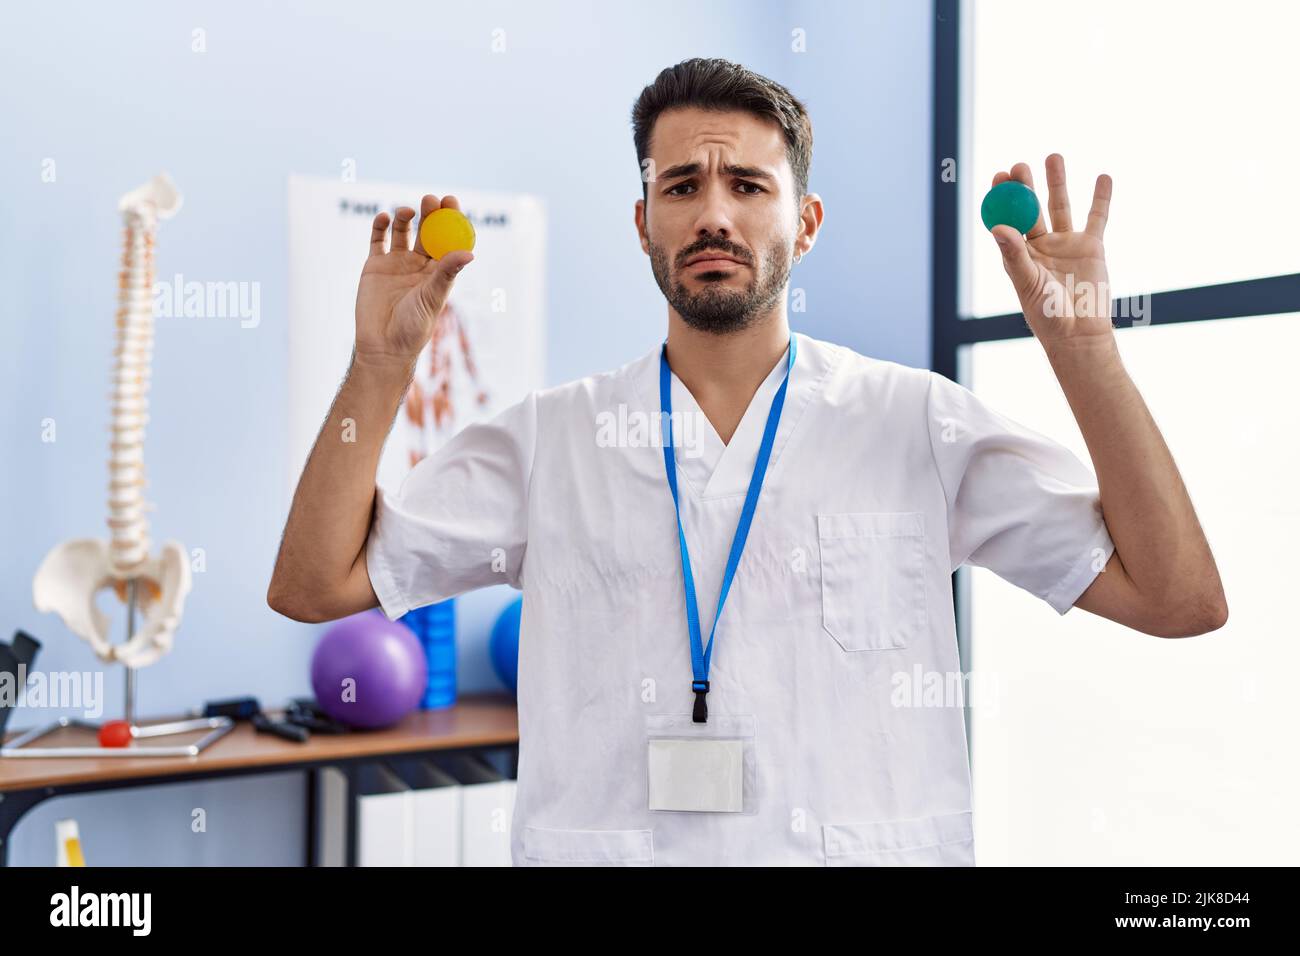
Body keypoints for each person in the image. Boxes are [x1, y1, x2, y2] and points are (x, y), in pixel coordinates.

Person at [268, 58, 1227, 866]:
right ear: (643, 219)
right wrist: (380, 365)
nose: (712, 214)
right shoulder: (547, 441)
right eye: (680, 186)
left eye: (749, 186)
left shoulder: (917, 422)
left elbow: (1179, 600)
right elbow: (314, 586)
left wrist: (1085, 352)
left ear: (804, 223)